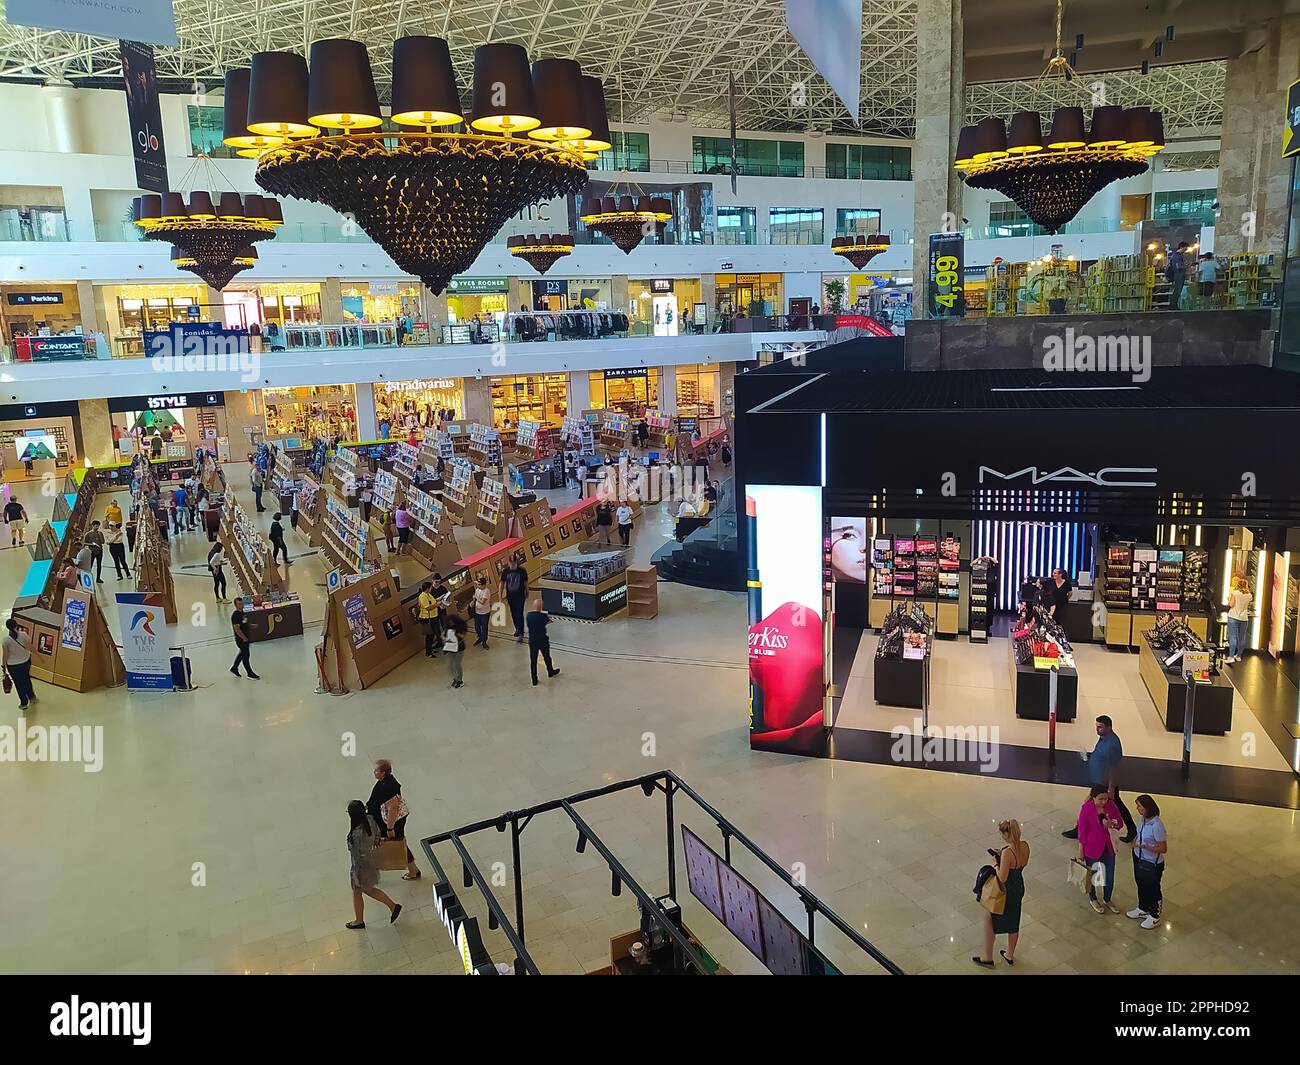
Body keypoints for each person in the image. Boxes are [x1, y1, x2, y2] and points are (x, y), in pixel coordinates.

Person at [1063, 715, 1136, 842]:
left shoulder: (1112, 744)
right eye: (1096, 727)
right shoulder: (1103, 739)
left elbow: (1114, 767)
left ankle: (1079, 829)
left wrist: (1111, 788)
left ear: (1109, 727)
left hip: (1103, 784)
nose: (1097, 730)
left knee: (1088, 805)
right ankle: (1132, 829)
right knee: (1116, 805)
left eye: (1100, 727)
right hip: (1099, 780)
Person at [972, 818, 1029, 968]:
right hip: (1019, 887)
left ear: (1005, 834)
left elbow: (1002, 877)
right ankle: (1010, 955)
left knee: (989, 919)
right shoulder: (1025, 846)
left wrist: (997, 864)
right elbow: (1024, 863)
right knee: (1014, 922)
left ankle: (987, 957)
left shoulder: (1007, 853)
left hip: (1006, 891)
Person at [344, 800, 401, 930]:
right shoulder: (370, 821)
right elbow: (377, 837)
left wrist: (355, 875)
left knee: (367, 890)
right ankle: (359, 920)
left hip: (361, 867)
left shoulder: (356, 834)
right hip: (370, 862)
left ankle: (392, 906)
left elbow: (356, 855)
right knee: (358, 892)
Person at [366, 759, 420, 881]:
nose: (374, 772)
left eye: (376, 770)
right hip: (385, 821)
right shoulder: (384, 781)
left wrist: (390, 828)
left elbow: (393, 809)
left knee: (399, 844)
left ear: (383, 772)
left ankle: (413, 870)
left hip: (391, 823)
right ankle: (413, 869)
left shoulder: (388, 787)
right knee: (399, 844)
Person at [1077, 784, 1124, 915]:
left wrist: (1112, 823)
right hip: (1091, 847)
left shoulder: (1111, 806)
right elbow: (1082, 830)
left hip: (1108, 847)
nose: (1104, 802)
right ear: (1093, 798)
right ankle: (1093, 898)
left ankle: (1108, 899)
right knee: (1092, 875)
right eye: (1100, 799)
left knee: (1109, 875)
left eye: (1106, 799)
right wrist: (1081, 850)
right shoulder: (1087, 809)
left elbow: (1120, 823)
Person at [1128, 795, 1167, 930]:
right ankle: (1143, 908)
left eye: (1140, 806)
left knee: (1153, 888)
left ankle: (1155, 916)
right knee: (1141, 883)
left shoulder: (1157, 825)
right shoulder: (1143, 820)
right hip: (1139, 858)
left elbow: (1163, 848)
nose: (1137, 809)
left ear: (1148, 808)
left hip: (1152, 863)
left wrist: (1146, 847)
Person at [3, 618, 36, 712]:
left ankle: (24, 703)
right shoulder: (24, 634)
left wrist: (3, 666)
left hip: (13, 665)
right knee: (26, 678)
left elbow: (5, 655)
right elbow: (29, 646)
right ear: (16, 625)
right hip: (26, 661)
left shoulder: (6, 640)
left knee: (19, 683)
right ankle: (32, 697)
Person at [525, 597, 560, 686]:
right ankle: (550, 671)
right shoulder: (543, 616)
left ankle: (534, 679)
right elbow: (549, 621)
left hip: (532, 639)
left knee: (533, 660)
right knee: (547, 657)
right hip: (542, 639)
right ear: (541, 607)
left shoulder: (529, 615)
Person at [500, 558, 529, 643]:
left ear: (516, 562)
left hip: (520, 596)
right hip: (510, 596)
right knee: (513, 613)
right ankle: (517, 628)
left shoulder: (522, 571)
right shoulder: (505, 571)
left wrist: (527, 591)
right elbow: (501, 584)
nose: (512, 564)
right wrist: (500, 596)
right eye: (511, 563)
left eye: (514, 563)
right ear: (508, 563)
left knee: (519, 613)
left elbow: (525, 582)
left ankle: (521, 633)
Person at [230, 597, 259, 679]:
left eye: (242, 603)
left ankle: (234, 668)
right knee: (246, 655)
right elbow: (237, 629)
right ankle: (249, 673)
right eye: (239, 604)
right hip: (241, 639)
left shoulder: (242, 613)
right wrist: (244, 638)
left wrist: (251, 625)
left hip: (246, 637)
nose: (241, 605)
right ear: (235, 605)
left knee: (242, 653)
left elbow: (244, 623)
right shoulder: (235, 616)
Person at [1226, 575, 1251, 663]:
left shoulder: (1235, 593)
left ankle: (1231, 657)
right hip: (1244, 618)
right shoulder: (1249, 595)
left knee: (1233, 637)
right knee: (1242, 638)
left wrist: (1229, 599)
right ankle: (1239, 656)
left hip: (1233, 616)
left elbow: (1231, 605)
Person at [444, 607, 468, 688]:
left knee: (457, 664)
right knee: (452, 664)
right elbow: (444, 635)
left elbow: (463, 635)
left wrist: (455, 634)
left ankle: (460, 680)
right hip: (451, 646)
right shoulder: (448, 626)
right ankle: (455, 678)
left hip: (459, 647)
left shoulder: (460, 626)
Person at [417, 581, 440, 657]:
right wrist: (437, 605)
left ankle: (430, 649)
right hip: (427, 618)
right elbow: (428, 608)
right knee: (429, 635)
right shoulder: (423, 596)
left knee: (432, 634)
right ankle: (428, 652)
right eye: (430, 587)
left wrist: (439, 600)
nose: (431, 589)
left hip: (433, 617)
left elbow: (433, 602)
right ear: (427, 588)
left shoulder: (428, 594)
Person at [1166, 241, 1188, 309]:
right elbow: (1178, 266)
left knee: (1176, 290)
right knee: (1177, 291)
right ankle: (1173, 305)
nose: (1185, 250)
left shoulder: (1174, 255)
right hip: (1178, 275)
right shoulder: (1178, 256)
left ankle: (1173, 305)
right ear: (1181, 247)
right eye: (1185, 248)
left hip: (1176, 275)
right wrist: (1186, 266)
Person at [472, 575, 491, 648]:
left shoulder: (486, 591)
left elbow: (482, 602)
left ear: (484, 585)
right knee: (477, 627)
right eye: (477, 584)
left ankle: (484, 641)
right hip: (477, 612)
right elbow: (475, 599)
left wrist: (476, 597)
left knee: (484, 627)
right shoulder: (477, 590)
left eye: (479, 584)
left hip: (484, 613)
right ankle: (480, 637)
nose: (478, 586)